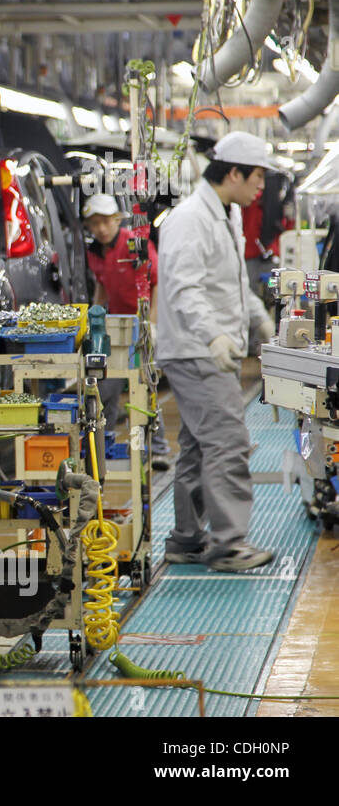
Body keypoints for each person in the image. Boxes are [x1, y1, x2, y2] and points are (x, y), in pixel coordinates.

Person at [155, 131, 277, 572]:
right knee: (229, 442)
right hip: (196, 351)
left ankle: (187, 539)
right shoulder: (189, 219)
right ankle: (228, 544)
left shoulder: (228, 215)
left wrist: (258, 319)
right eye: (257, 176)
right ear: (234, 173)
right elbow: (184, 287)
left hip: (207, 348)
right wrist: (212, 336)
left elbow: (232, 283)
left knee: (198, 447)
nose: (261, 186)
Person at [82, 194, 171, 471]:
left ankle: (158, 451)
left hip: (142, 325)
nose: (101, 228)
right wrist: (94, 318)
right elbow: (101, 285)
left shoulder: (136, 244)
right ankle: (103, 450)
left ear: (117, 220)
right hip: (117, 327)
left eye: (106, 221)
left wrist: (151, 325)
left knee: (144, 387)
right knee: (104, 388)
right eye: (94, 223)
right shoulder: (95, 251)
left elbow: (157, 282)